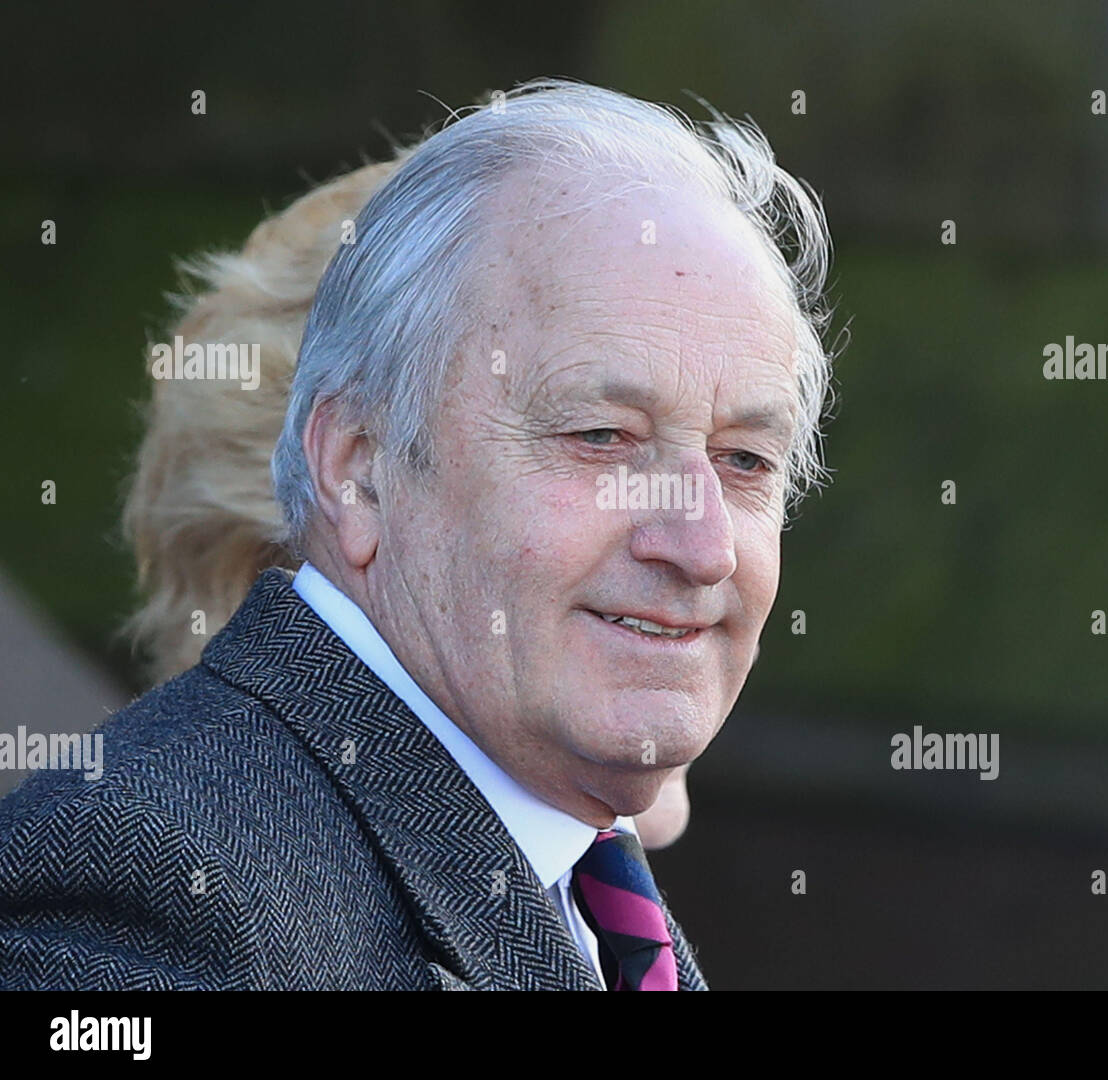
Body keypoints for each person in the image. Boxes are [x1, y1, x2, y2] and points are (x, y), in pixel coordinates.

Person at [0, 78, 835, 990]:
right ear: (359, 467)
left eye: (746, 460)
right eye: (601, 437)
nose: (704, 546)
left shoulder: (580, 880)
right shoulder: (151, 887)